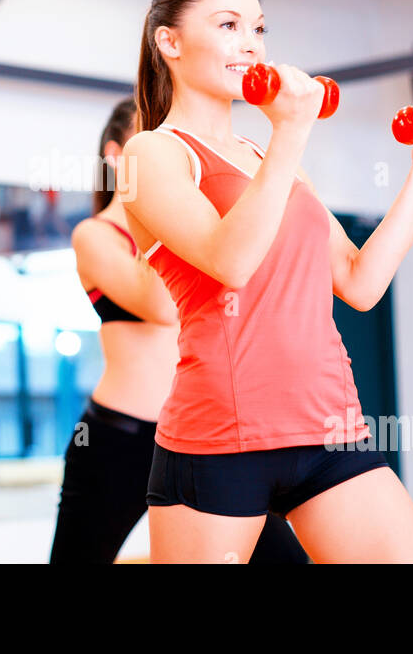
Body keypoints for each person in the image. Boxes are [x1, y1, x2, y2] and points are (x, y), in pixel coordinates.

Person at [120, 0, 413, 563]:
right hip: (220, 441)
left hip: (330, 427)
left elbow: (361, 283)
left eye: (258, 29)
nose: (250, 45)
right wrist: (289, 131)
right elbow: (230, 260)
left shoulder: (272, 156)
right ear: (169, 42)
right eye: (228, 25)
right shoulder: (150, 155)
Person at [49, 97, 307, 564]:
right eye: (150, 140)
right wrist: (157, 210)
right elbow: (160, 307)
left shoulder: (200, 230)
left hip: (203, 435)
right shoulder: (93, 235)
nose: (168, 150)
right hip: (119, 439)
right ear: (116, 156)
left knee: (283, 558)